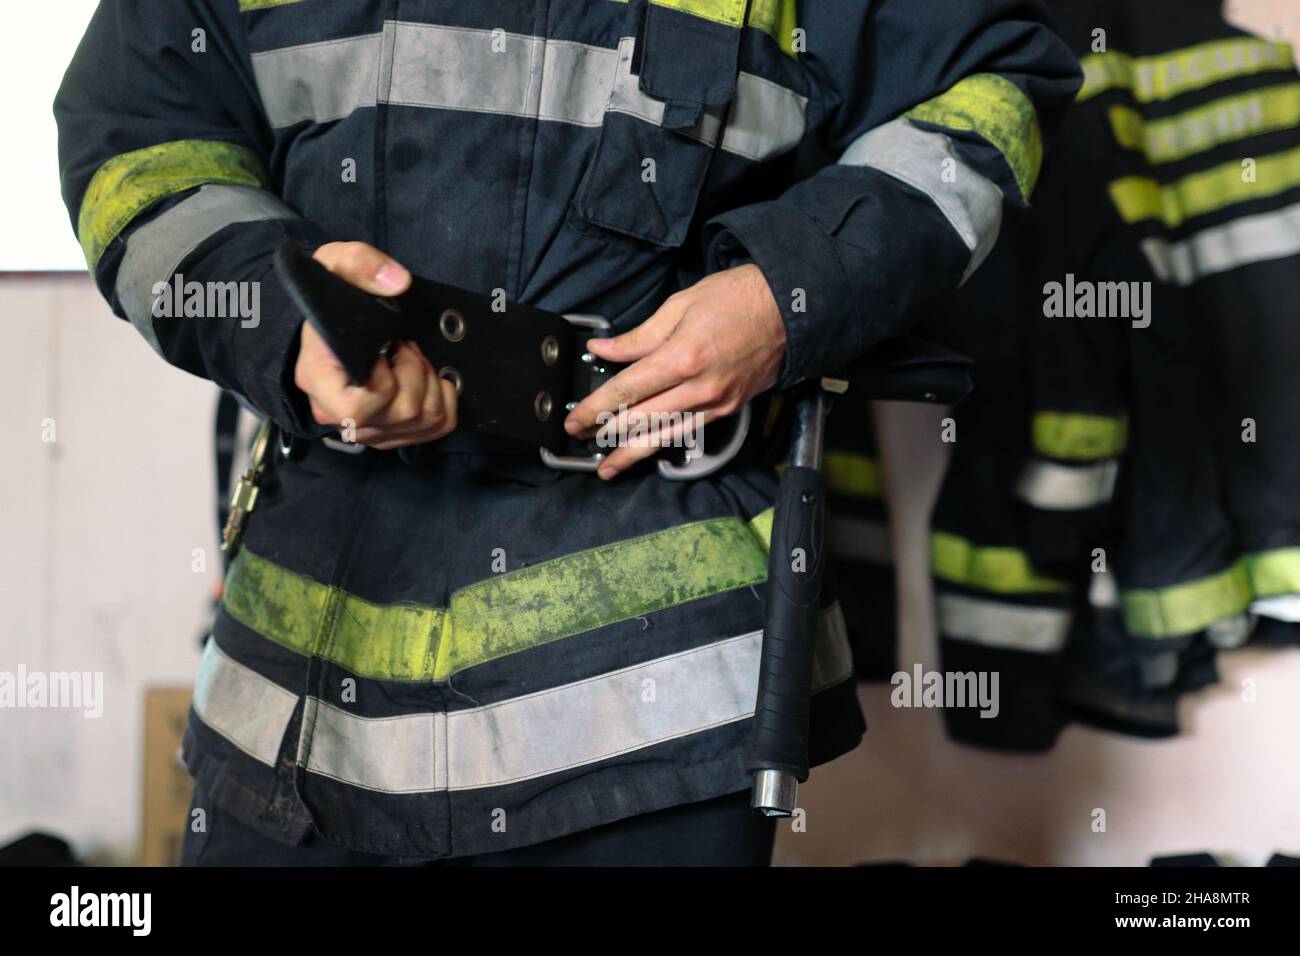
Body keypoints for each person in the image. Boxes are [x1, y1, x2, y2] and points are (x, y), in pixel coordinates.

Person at [56, 0, 1077, 865]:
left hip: (654, 706)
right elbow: (137, 140)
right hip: (294, 698)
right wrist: (283, 332)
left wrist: (787, 291)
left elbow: (989, 87)